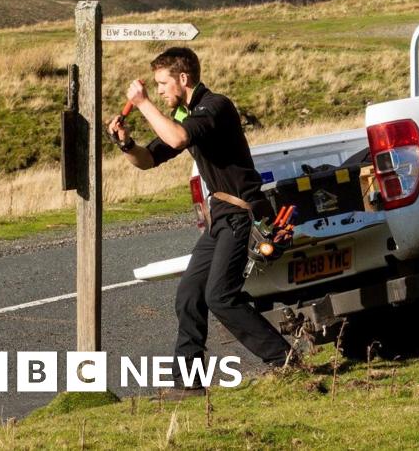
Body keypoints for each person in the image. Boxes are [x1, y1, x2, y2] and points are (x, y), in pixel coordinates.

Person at [106, 47, 294, 397]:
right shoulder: (187, 115)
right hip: (221, 215)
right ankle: (187, 383)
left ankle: (286, 363)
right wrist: (127, 144)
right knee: (189, 293)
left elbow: (176, 137)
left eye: (163, 83)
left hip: (243, 213)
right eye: (156, 87)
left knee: (221, 296)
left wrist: (142, 103)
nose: (160, 91)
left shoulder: (216, 107)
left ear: (183, 78)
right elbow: (149, 159)